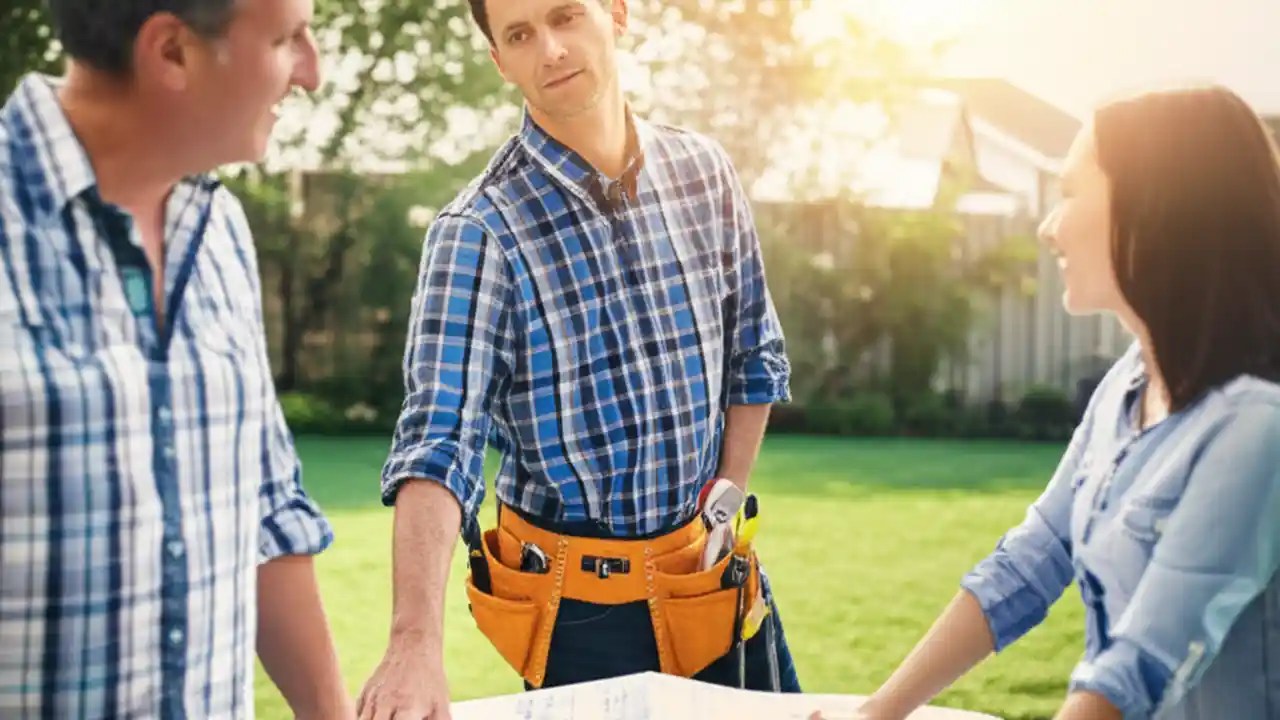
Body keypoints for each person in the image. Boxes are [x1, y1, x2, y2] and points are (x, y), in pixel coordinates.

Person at [356, 0, 798, 716]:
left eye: (565, 16)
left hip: (717, 580)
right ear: (499, 61)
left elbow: (755, 354)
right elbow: (437, 446)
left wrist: (725, 504)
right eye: (521, 35)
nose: (551, 50)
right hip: (584, 619)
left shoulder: (704, 174)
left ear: (615, 12)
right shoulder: (477, 233)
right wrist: (413, 642)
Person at [816, 85, 1280, 720]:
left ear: (1150, 212)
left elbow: (1137, 667)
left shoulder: (1255, 427)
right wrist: (878, 712)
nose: (1047, 226)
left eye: (1068, 194)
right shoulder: (1128, 385)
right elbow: (1030, 561)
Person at [0, 1, 351, 717]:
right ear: (171, 53)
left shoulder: (218, 228)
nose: (312, 73)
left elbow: (268, 508)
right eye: (288, 40)